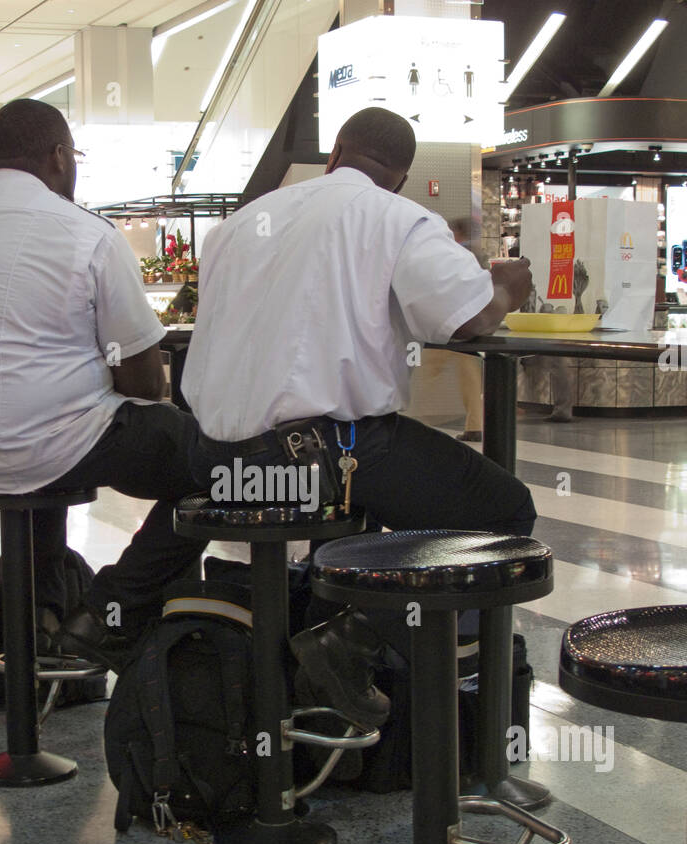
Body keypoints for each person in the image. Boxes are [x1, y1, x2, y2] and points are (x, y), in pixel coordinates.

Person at [182, 106, 536, 725]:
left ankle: (341, 649)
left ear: (335, 153)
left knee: (369, 495)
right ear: (401, 177)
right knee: (501, 508)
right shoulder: (397, 217)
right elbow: (467, 317)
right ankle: (364, 646)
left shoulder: (240, 224)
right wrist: (507, 285)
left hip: (215, 458)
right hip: (315, 457)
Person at [0, 99, 206, 672]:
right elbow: (144, 383)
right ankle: (106, 615)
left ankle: (39, 619)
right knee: (215, 465)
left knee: (52, 427)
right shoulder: (87, 234)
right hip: (42, 446)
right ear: (61, 155)